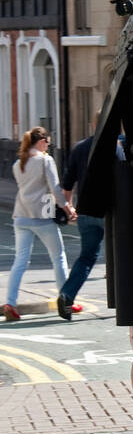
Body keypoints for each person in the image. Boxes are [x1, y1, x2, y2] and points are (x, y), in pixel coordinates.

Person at [3, 126, 72, 322]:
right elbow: (55, 189)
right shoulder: (45, 160)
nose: (48, 146)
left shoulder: (19, 163)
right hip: (41, 214)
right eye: (48, 142)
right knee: (58, 256)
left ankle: (10, 303)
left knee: (20, 261)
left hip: (21, 215)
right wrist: (67, 208)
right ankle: (65, 298)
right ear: (41, 142)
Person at [56, 132, 102, 320]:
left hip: (86, 211)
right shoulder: (119, 145)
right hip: (112, 212)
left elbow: (67, 184)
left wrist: (69, 210)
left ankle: (67, 294)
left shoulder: (80, 147)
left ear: (92, 125)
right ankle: (129, 305)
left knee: (86, 257)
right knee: (126, 257)